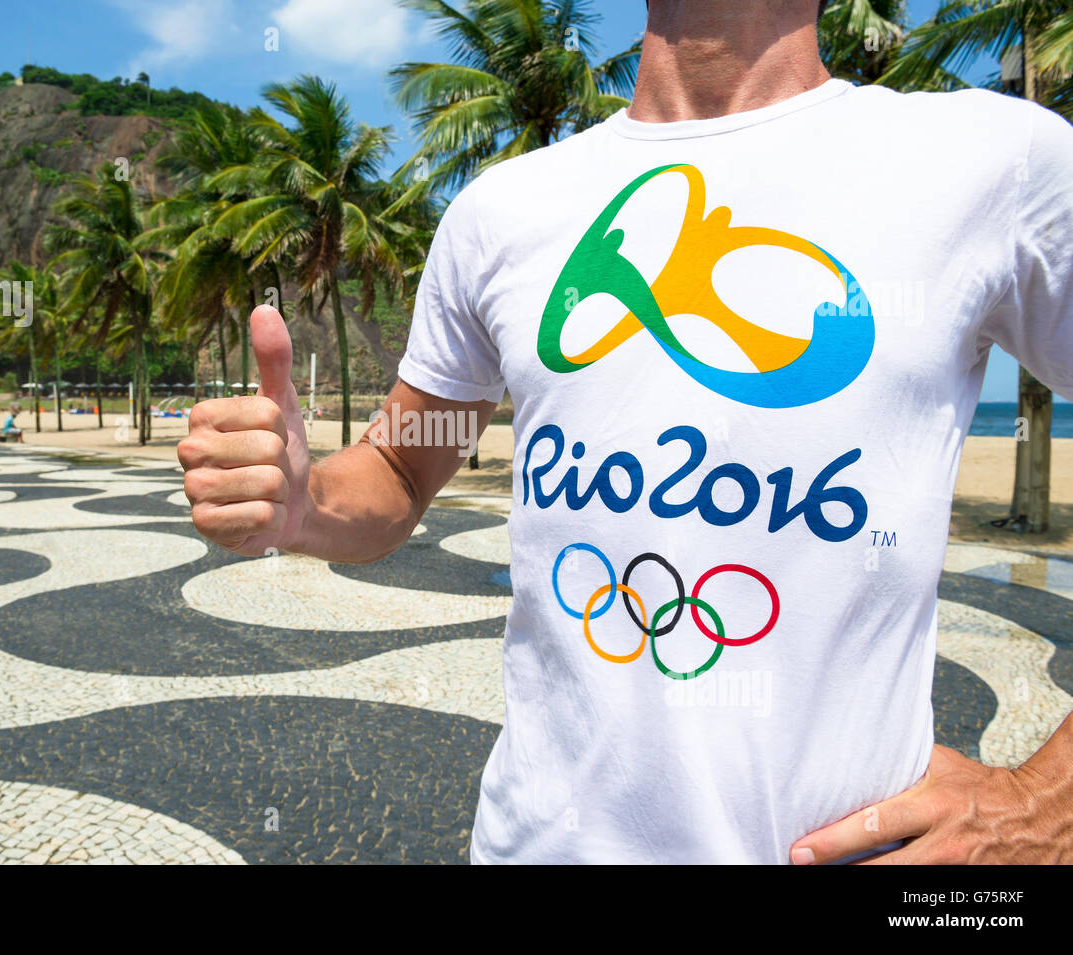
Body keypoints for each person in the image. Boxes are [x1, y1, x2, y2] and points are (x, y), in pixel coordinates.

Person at [179, 0, 1073, 864]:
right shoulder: (503, 210)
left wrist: (1050, 801)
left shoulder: (994, 161)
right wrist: (307, 502)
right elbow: (403, 467)